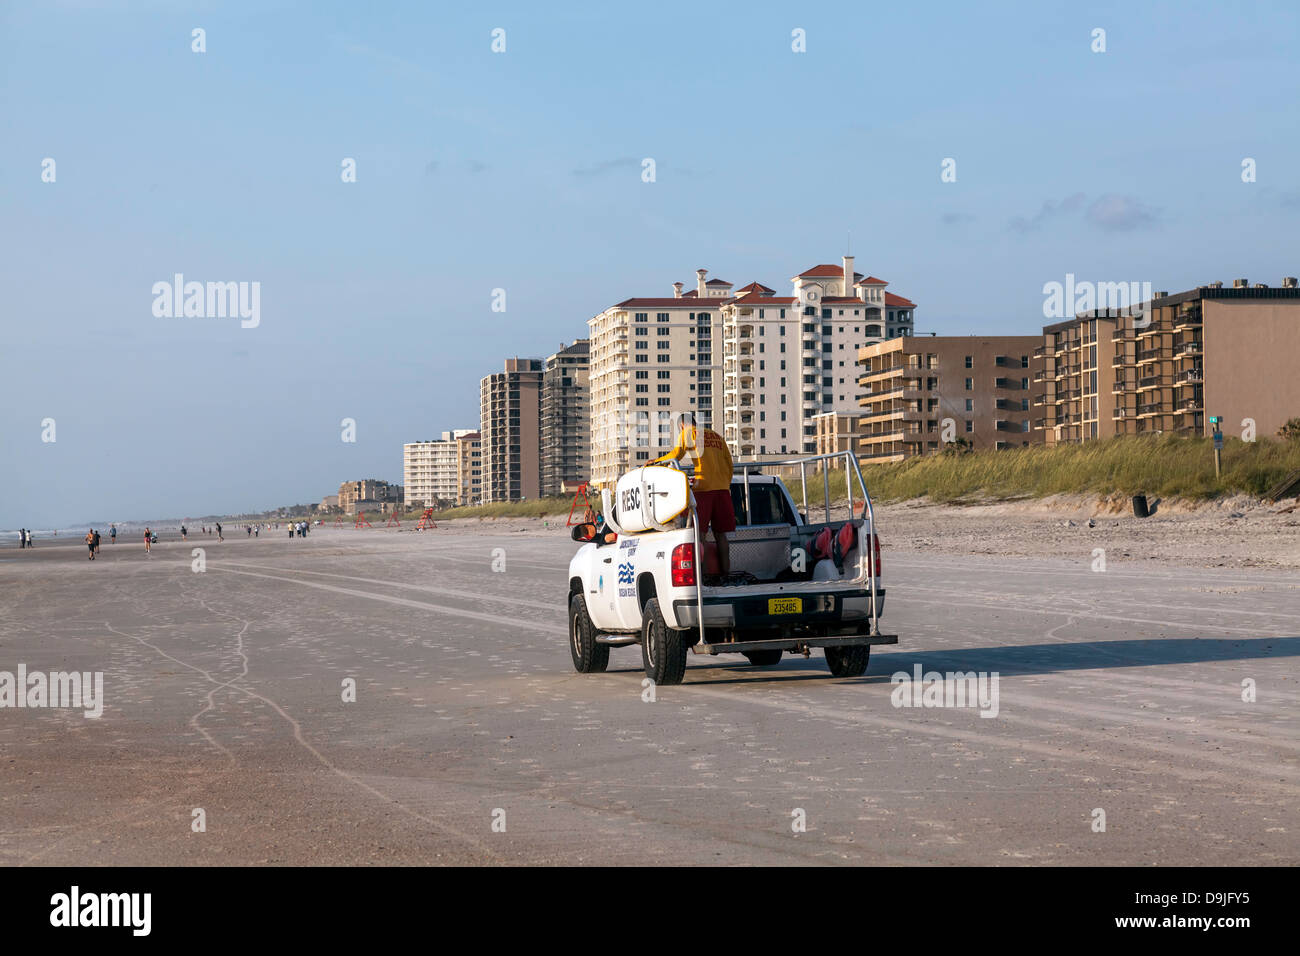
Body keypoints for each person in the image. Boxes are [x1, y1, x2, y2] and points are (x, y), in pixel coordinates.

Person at [653, 412, 736, 578]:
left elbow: (677, 454)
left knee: (700, 536)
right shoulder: (717, 436)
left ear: (682, 426)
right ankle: (726, 575)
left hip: (703, 488)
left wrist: (656, 462)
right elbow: (729, 463)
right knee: (721, 535)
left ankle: (704, 577)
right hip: (722, 489)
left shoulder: (687, 433)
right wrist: (724, 484)